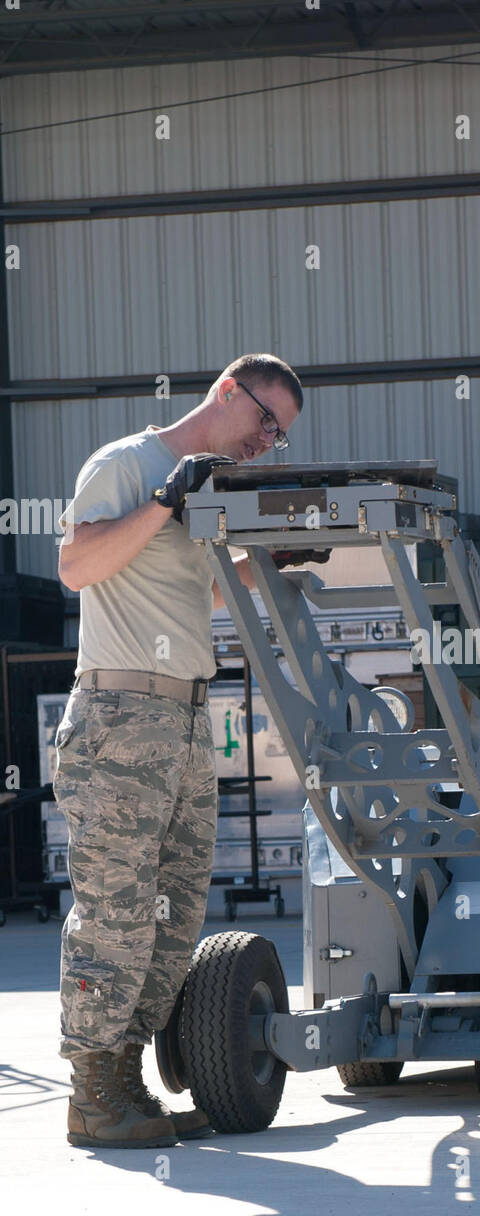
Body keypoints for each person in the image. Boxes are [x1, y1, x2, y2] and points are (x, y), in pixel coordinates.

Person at [54, 353, 304, 1149]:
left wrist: (264, 564)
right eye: (266, 420)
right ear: (228, 392)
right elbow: (77, 565)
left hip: (187, 723)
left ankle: (125, 1086)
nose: (270, 441)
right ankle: (93, 1096)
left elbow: (176, 575)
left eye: (281, 435)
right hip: (121, 716)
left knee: (172, 916)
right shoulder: (131, 466)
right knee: (115, 914)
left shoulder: (207, 486)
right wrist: (166, 498)